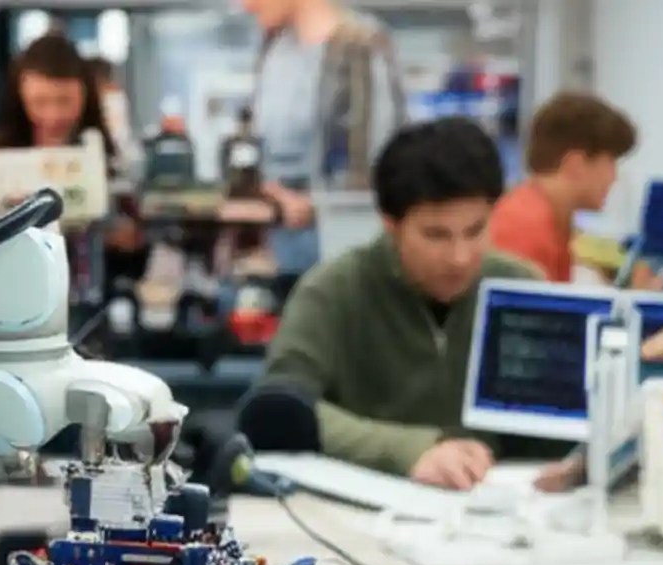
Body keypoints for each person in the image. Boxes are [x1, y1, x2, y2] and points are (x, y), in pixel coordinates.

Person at [260, 117, 569, 489]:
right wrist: (410, 451)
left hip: (503, 511)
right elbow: (277, 407)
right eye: (436, 235)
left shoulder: (521, 287)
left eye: (476, 230)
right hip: (359, 512)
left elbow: (566, 426)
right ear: (391, 224)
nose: (460, 256)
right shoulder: (334, 290)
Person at [240, 0, 407, 288]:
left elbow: (382, 158)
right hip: (282, 247)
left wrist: (316, 205)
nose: (245, 6)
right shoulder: (274, 48)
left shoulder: (362, 44)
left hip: (343, 245)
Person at [0, 34, 147, 283]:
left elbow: (134, 234)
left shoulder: (105, 154)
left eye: (65, 101)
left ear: (85, 96)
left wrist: (127, 238)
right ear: (20, 98)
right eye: (39, 102)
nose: (53, 115)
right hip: (16, 291)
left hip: (94, 294)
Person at [489, 92, 637, 283]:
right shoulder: (524, 229)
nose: (614, 178)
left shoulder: (552, 219)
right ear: (575, 165)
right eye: (610, 162)